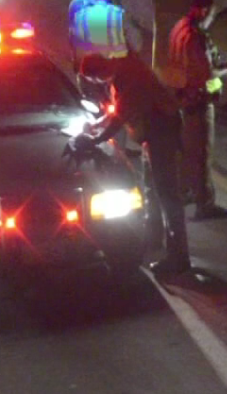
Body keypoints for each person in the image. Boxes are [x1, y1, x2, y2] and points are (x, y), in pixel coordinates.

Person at [71, 51, 191, 275]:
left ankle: (179, 258)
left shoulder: (130, 75)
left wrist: (95, 138)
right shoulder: (121, 72)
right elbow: (115, 110)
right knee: (151, 190)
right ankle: (153, 241)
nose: (98, 84)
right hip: (152, 136)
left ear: (99, 73)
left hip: (161, 133)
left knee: (167, 195)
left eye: (95, 80)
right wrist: (96, 125)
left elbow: (121, 115)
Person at [165, 0, 227, 221]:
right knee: (202, 154)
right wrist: (226, 71)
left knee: (185, 152)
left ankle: (185, 192)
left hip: (180, 99)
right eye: (212, 14)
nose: (212, 19)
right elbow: (205, 74)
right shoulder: (196, 37)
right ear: (204, 11)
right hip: (198, 101)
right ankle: (205, 203)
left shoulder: (178, 29)